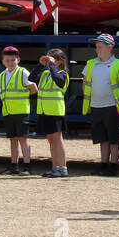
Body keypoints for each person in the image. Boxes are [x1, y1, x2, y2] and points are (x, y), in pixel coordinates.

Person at [82, 33, 119, 175]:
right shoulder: (90, 63)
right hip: (96, 106)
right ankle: (103, 163)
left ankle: (113, 165)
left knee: (114, 138)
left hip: (112, 106)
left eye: (100, 46)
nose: (97, 49)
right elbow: (85, 84)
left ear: (110, 47)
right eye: (97, 47)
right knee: (102, 138)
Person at [0, 46, 36, 174]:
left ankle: (27, 166)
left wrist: (23, 96)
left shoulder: (23, 72)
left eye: (13, 60)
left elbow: (34, 88)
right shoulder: (2, 75)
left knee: (23, 139)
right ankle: (13, 166)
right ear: (3, 61)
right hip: (8, 112)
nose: (10, 62)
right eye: (7, 60)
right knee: (13, 140)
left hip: (21, 112)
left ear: (18, 60)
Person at [35, 49, 70, 177]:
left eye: (52, 59)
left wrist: (52, 65)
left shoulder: (63, 74)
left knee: (57, 139)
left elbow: (58, 80)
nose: (49, 61)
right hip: (45, 111)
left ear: (60, 61)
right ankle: (55, 167)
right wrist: (40, 64)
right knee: (51, 140)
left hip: (55, 112)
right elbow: (31, 78)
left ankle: (62, 167)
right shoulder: (45, 74)